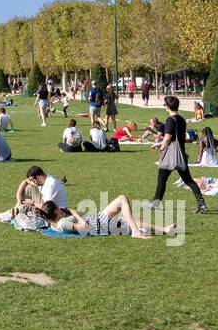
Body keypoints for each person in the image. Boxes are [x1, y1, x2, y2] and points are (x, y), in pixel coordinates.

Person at [151, 96, 208, 214]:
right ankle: (201, 204)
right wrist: (161, 144)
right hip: (180, 153)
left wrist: (161, 148)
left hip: (171, 155)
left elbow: (168, 138)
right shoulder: (181, 119)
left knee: (161, 179)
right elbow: (176, 138)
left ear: (167, 107)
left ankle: (155, 204)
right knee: (188, 180)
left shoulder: (169, 120)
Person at [41, 195, 177, 239]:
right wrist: (75, 213)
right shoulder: (62, 223)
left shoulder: (55, 223)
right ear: (56, 211)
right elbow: (83, 227)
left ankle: (164, 229)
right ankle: (136, 232)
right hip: (97, 224)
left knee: (129, 220)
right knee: (123, 199)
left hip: (97, 219)